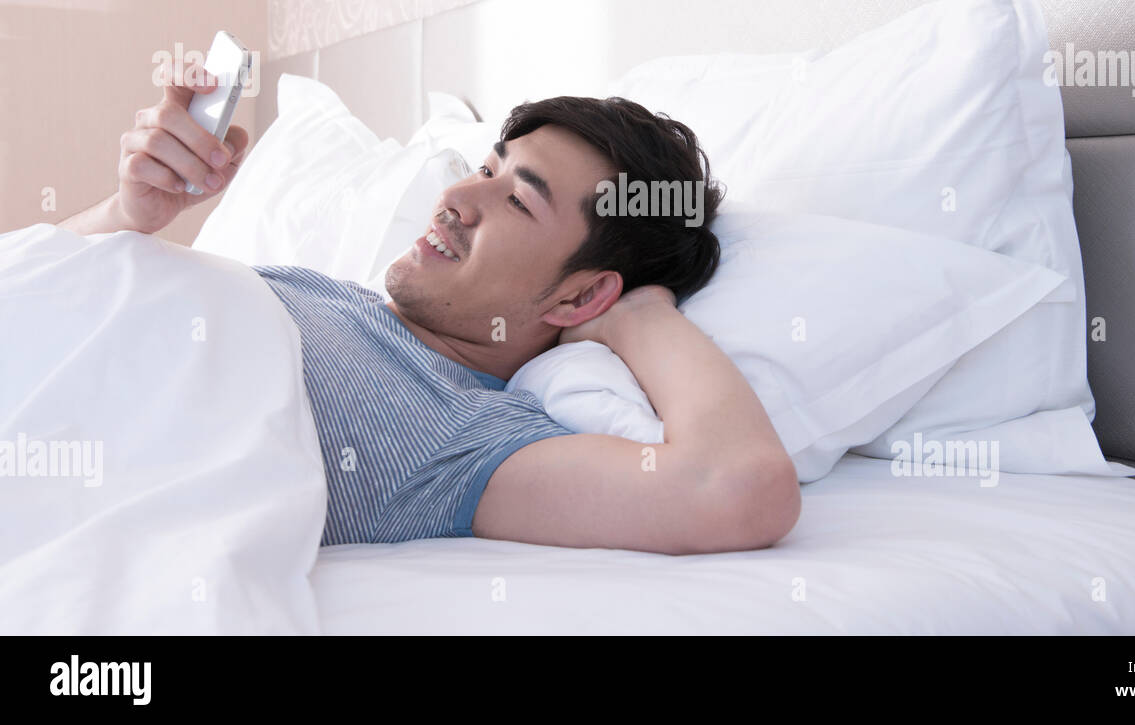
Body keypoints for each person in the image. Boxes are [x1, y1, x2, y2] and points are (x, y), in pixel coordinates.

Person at [56, 63, 800, 555]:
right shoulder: (332, 296)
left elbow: (738, 486)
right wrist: (126, 216)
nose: (455, 197)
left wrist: (640, 315)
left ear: (582, 292)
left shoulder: (462, 437)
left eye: (516, 199)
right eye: (486, 169)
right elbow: (46, 289)